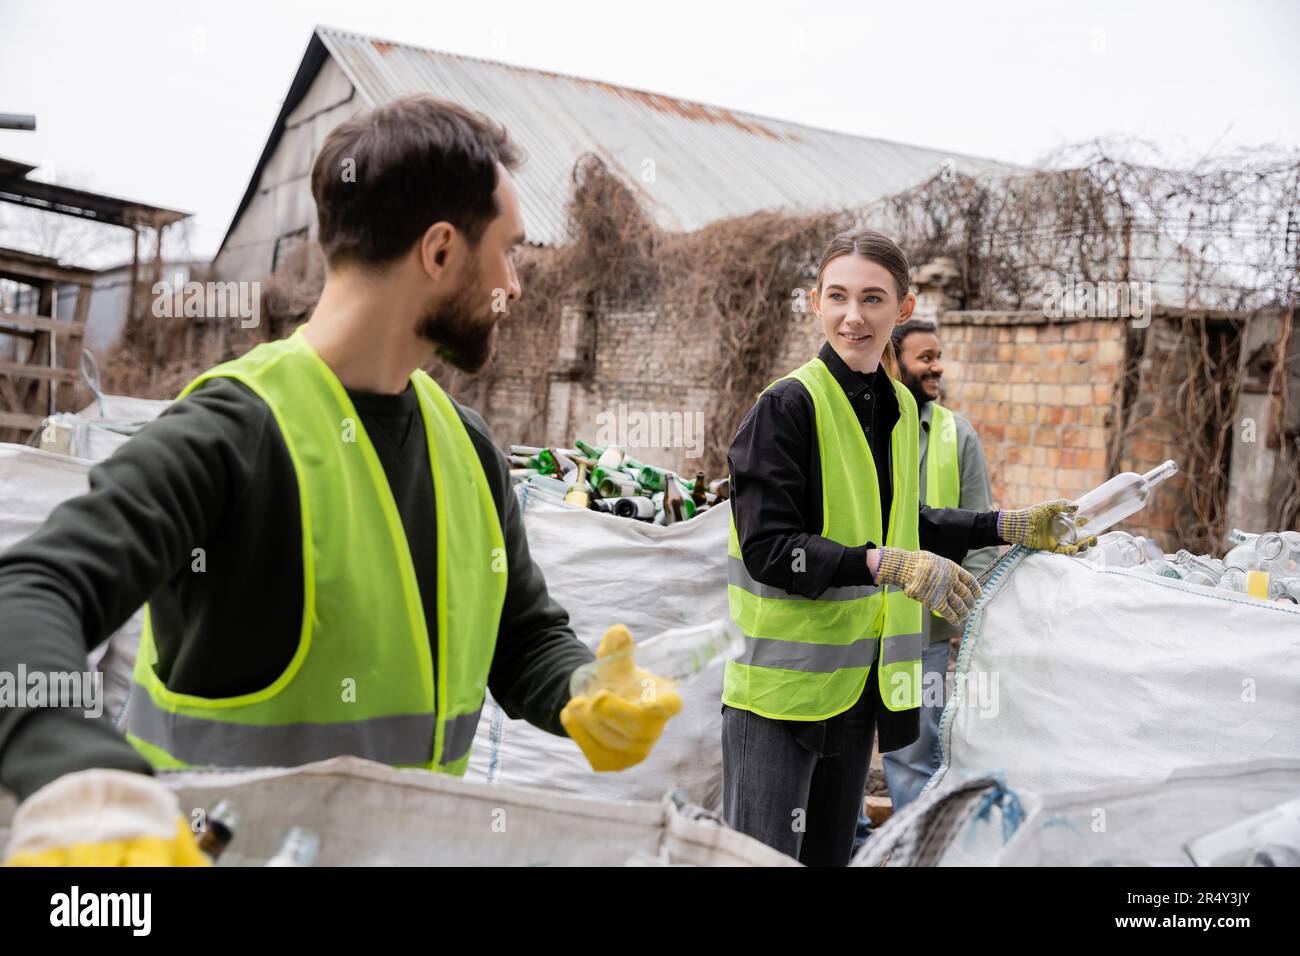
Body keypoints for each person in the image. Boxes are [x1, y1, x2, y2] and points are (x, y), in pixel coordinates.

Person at [0, 95, 678, 867]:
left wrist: (580, 689)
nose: (516, 286)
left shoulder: (468, 447)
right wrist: (79, 783)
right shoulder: (233, 432)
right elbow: (25, 595)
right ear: (441, 252)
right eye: (510, 252)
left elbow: (521, 637)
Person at [723, 229, 1095, 867]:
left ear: (902, 307)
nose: (853, 315)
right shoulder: (786, 407)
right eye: (837, 296)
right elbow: (769, 548)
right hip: (778, 700)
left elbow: (905, 521)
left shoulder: (894, 406)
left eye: (872, 299)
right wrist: (882, 564)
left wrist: (1006, 526)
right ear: (815, 302)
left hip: (854, 693)